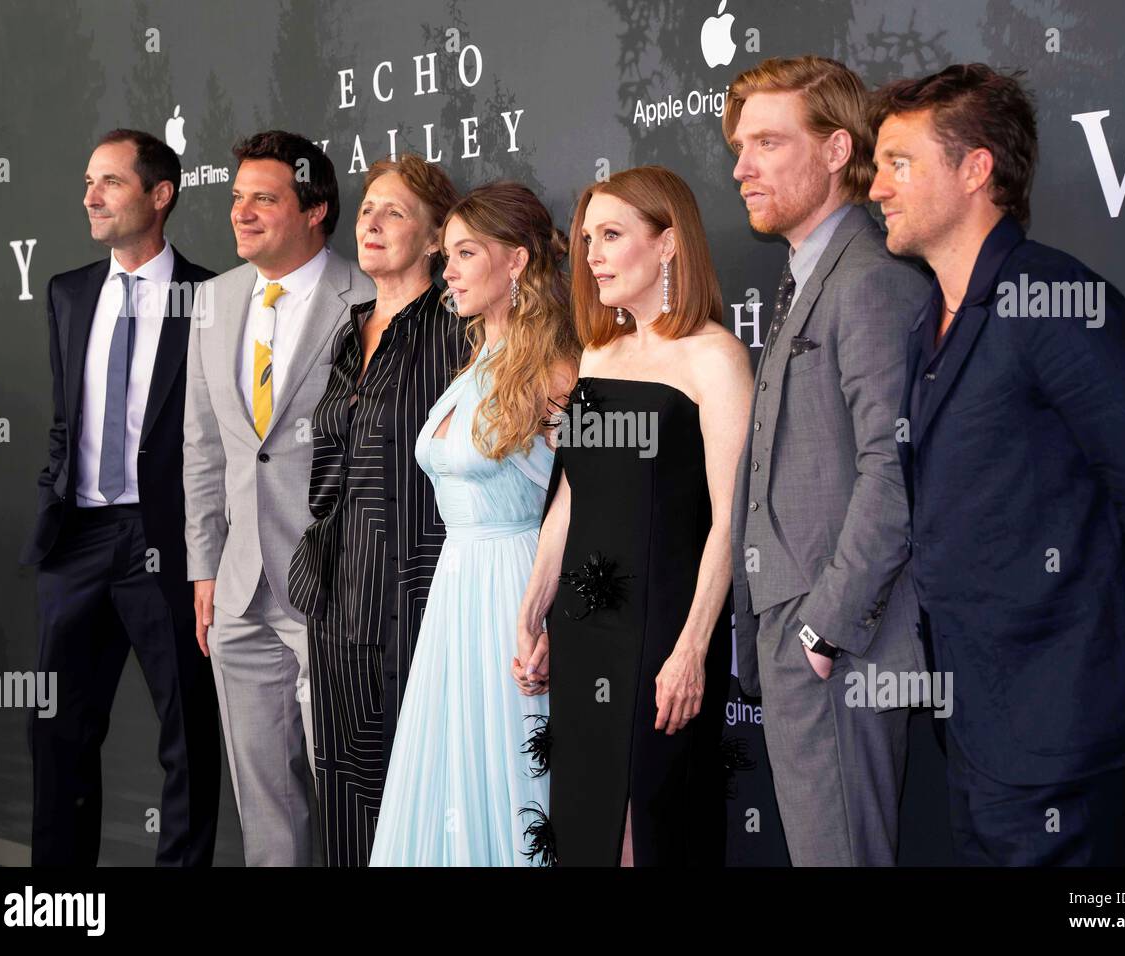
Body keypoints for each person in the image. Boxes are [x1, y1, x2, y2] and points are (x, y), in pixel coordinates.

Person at [869, 64, 1125, 864]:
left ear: (975, 169)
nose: (877, 188)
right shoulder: (933, 321)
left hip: (1072, 732)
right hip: (979, 732)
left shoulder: (1054, 301)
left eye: (899, 163)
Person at [723, 56, 930, 866]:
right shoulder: (812, 277)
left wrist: (824, 629)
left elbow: (894, 468)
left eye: (768, 142)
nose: (741, 167)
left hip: (839, 647)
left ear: (840, 150)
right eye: (740, 146)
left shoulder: (870, 283)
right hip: (799, 642)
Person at [517, 165, 752, 866]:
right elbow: (571, 495)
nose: (591, 255)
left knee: (645, 832)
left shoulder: (716, 358)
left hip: (663, 630)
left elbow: (731, 520)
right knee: (585, 827)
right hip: (585, 627)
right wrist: (535, 609)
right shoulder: (598, 352)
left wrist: (692, 650)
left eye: (612, 235)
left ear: (669, 243)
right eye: (587, 238)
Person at [20, 129, 220, 866]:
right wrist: (53, 499)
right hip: (75, 539)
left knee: (189, 737)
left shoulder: (211, 295)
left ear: (160, 194)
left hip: (166, 539)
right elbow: (64, 419)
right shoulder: (68, 292)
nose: (90, 197)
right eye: (87, 181)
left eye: (109, 182)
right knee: (55, 730)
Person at [369, 182, 577, 865]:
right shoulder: (474, 365)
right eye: (447, 254)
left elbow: (585, 501)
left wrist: (545, 612)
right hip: (454, 596)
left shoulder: (554, 373)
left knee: (513, 776)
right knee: (452, 771)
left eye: (465, 253)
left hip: (514, 591)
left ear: (516, 261)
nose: (447, 270)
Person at [183, 130, 374, 866]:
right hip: (238, 596)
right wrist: (204, 569)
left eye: (265, 197)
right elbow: (204, 447)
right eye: (236, 197)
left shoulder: (367, 297)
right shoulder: (214, 299)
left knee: (351, 796)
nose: (243, 212)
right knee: (266, 814)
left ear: (316, 208)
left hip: (334, 591)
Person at [287, 155, 469, 866]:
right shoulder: (349, 329)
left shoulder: (459, 332)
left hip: (418, 604)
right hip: (337, 602)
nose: (371, 221)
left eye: (394, 212)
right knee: (342, 797)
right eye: (366, 209)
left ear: (434, 240)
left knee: (417, 799)